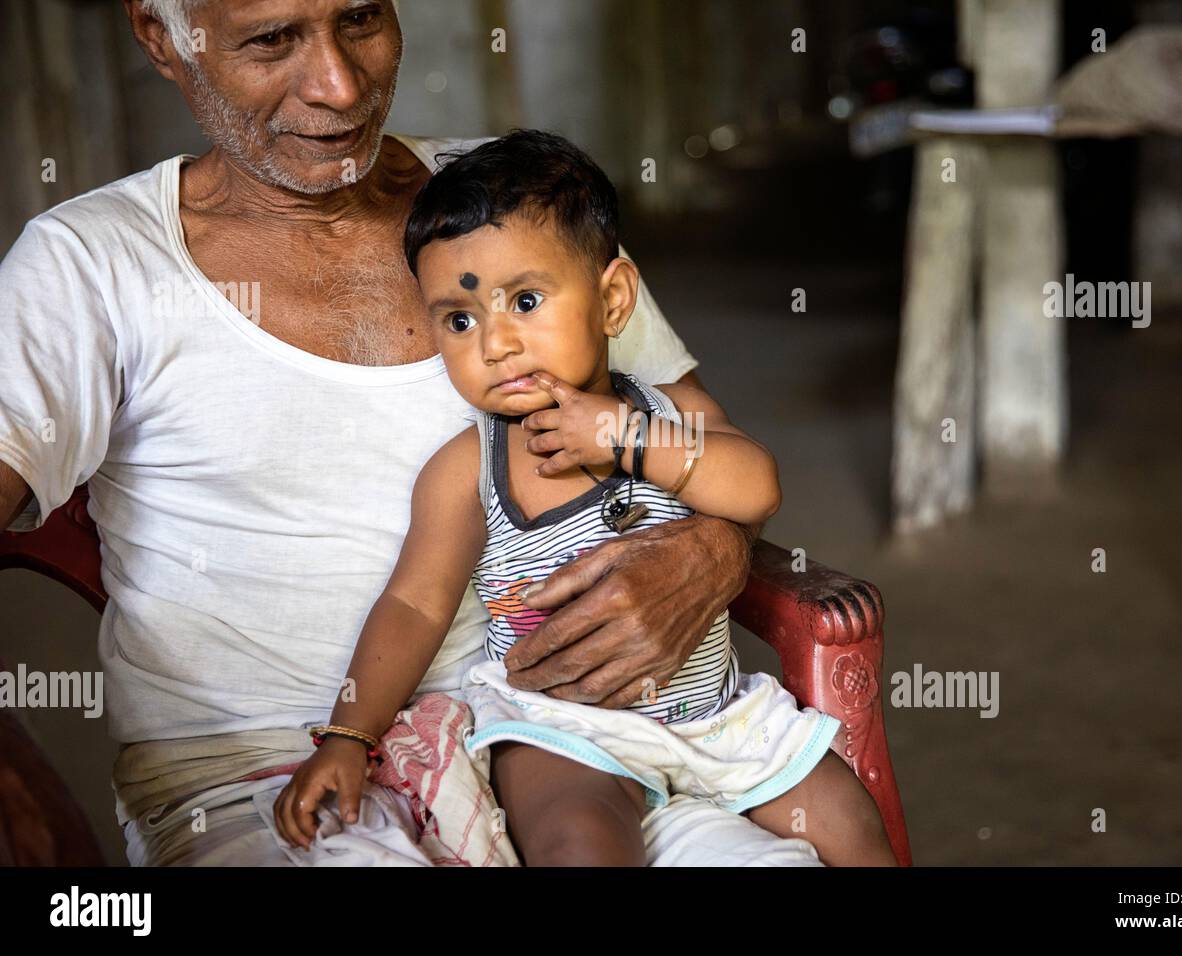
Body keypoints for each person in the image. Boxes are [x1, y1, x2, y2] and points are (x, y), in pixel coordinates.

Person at [0, 0, 867, 864]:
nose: (340, 86)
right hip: (278, 779)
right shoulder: (93, 264)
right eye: (272, 40)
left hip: (595, 735)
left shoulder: (505, 205)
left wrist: (707, 551)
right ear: (163, 37)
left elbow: (704, 438)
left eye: (363, 19)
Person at [270, 130, 898, 866]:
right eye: (460, 320)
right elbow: (414, 603)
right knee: (580, 841)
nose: (495, 344)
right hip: (563, 729)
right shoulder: (469, 467)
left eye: (526, 300)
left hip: (716, 720)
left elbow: (757, 484)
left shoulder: (663, 415)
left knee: (849, 823)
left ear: (612, 299)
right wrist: (350, 735)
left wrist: (625, 436)